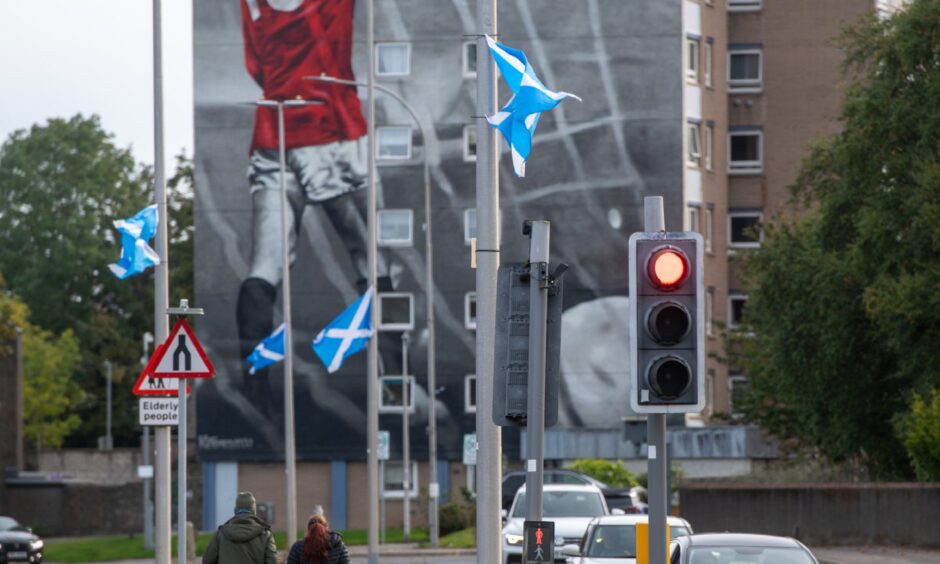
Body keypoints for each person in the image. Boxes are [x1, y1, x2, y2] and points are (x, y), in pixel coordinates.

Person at [236, 0, 396, 416]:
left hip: (274, 129)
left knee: (265, 264)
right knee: (369, 252)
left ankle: (257, 396)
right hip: (330, 126)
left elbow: (255, 64)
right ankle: (397, 377)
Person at [203, 491, 277, 564]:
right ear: (254, 510)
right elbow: (272, 561)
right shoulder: (265, 534)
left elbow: (207, 561)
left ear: (235, 510)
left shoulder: (221, 534)